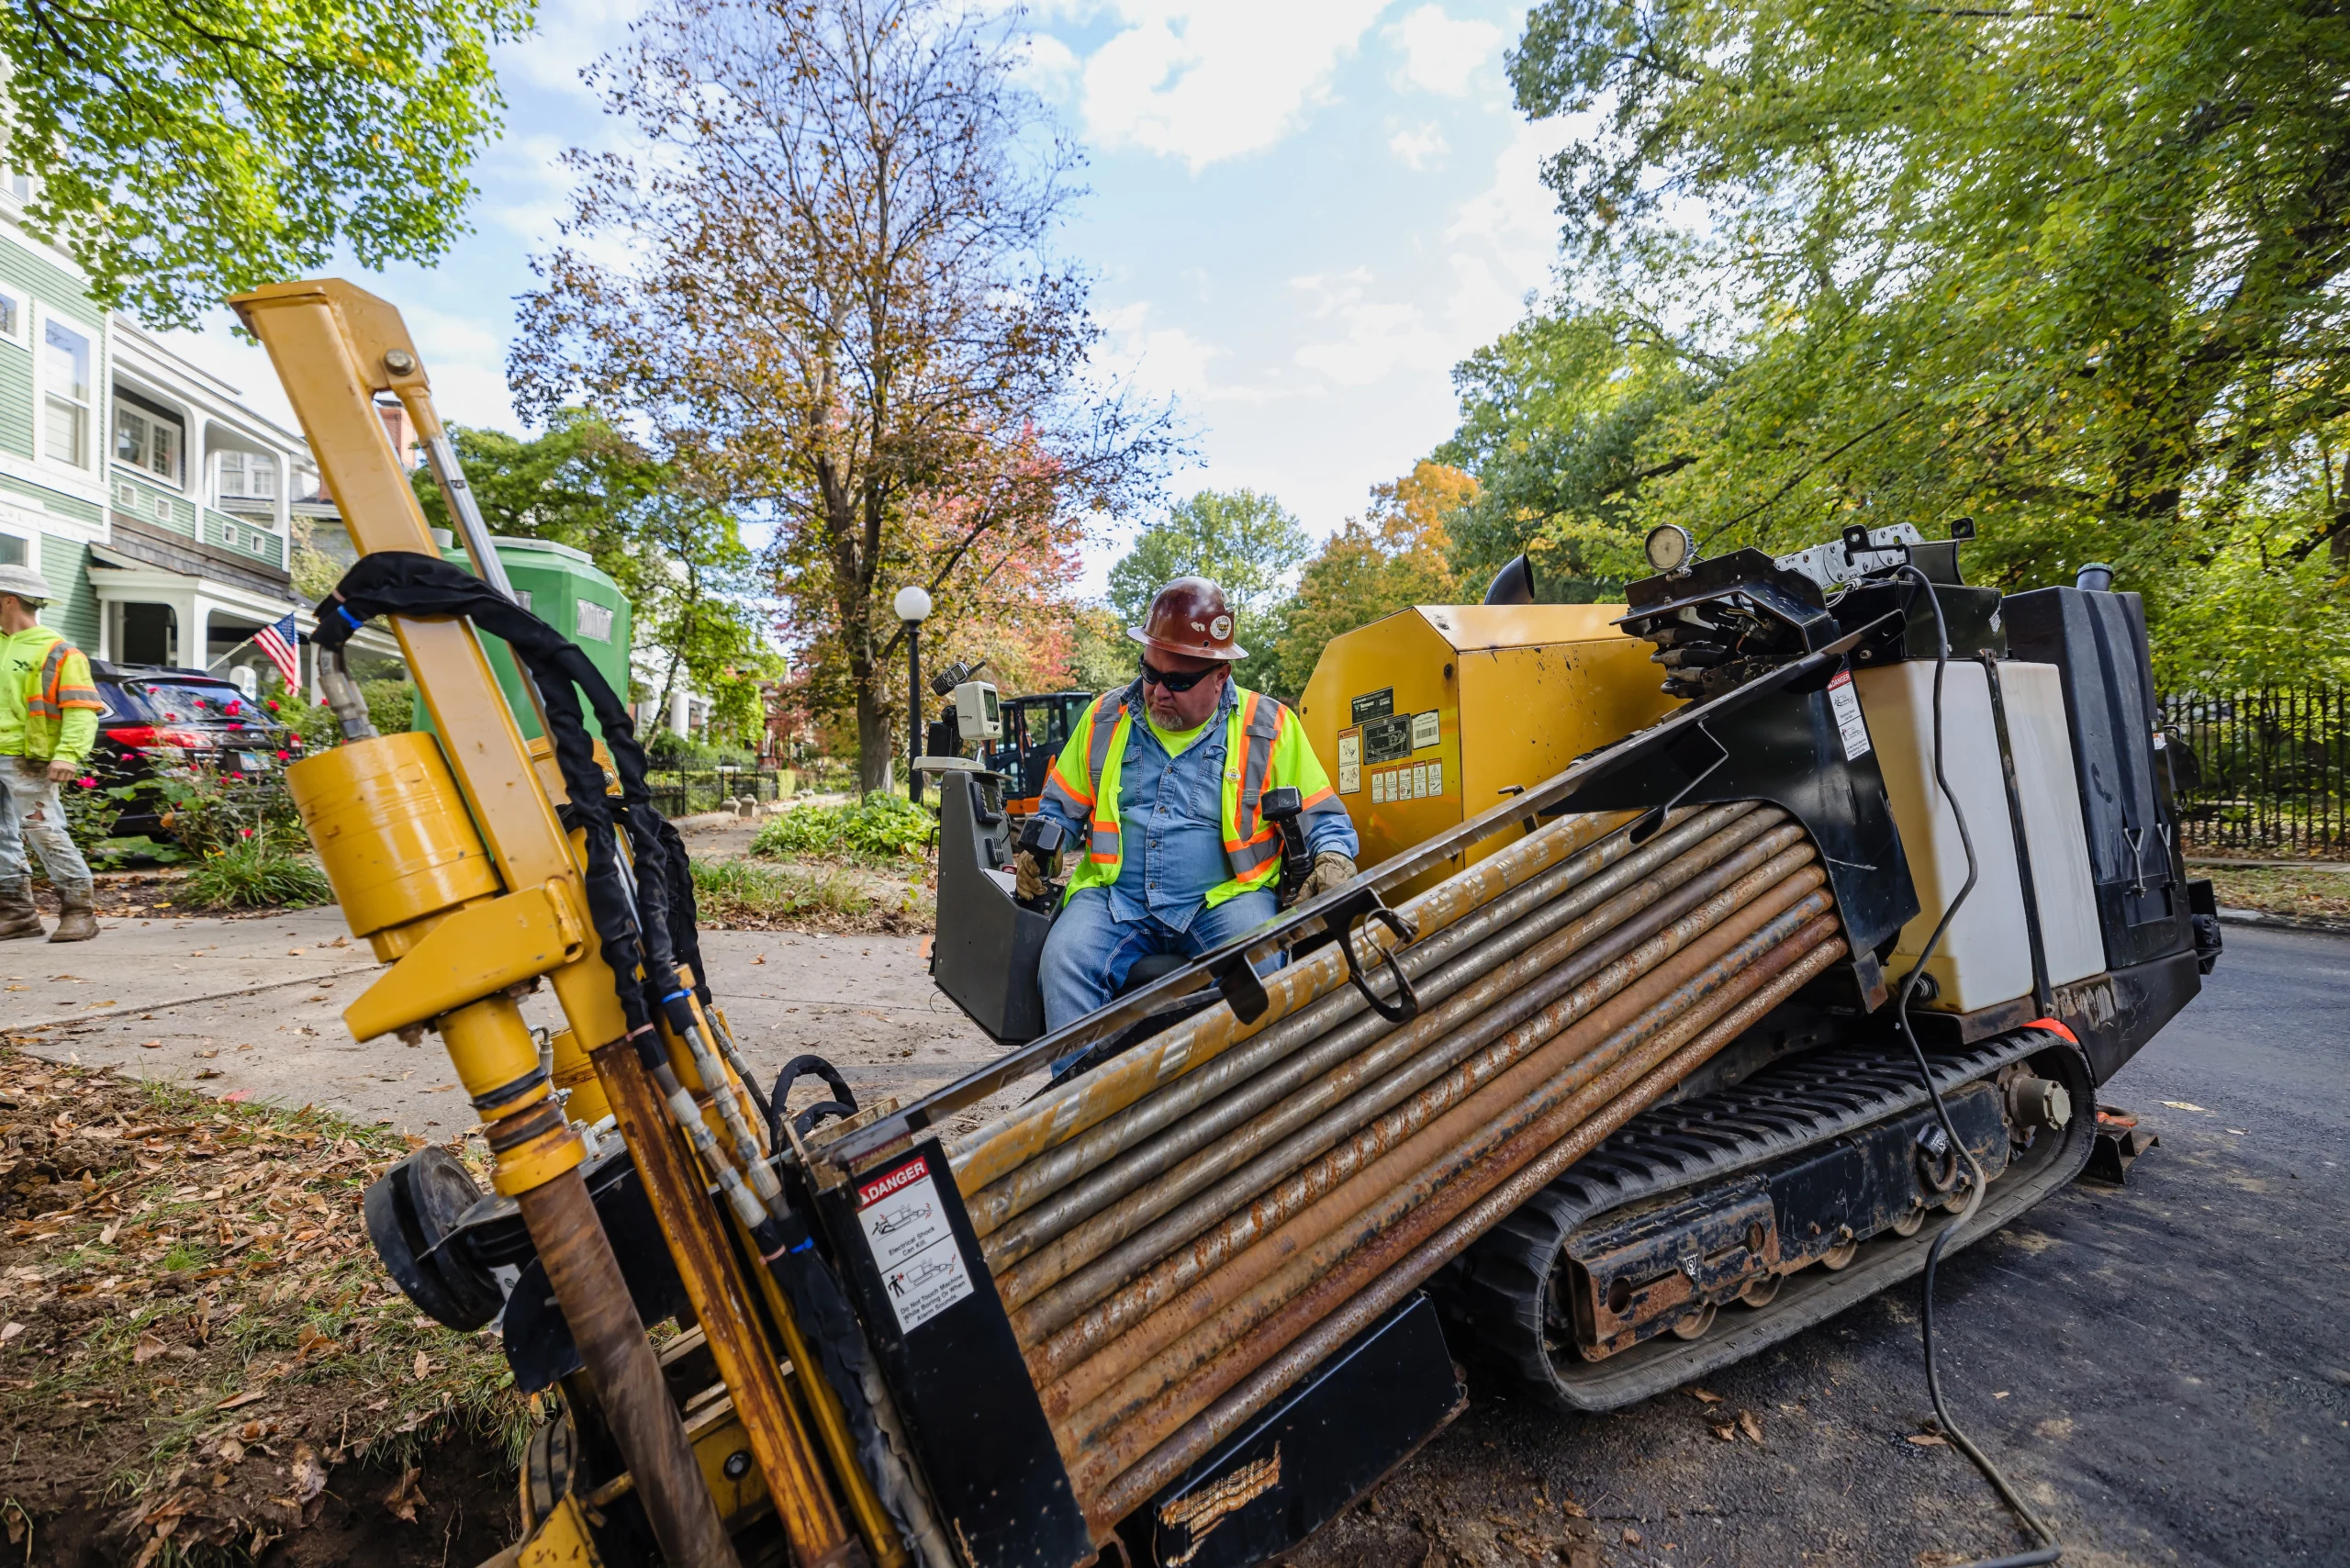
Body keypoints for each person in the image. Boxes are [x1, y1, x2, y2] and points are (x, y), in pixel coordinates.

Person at [1024, 577, 1358, 1035]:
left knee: (1262, 967)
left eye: (1178, 681)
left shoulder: (1270, 725)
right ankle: (1086, 1101)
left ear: (1221, 676)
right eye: (1149, 672)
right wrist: (1038, 849)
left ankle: (1239, 1098)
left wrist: (1334, 856)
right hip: (1114, 900)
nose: (1159, 691)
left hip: (1227, 900)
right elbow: (1059, 807)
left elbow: (1321, 816)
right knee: (1063, 961)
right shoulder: (1104, 718)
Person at [0, 565, 103, 942]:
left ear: (8, 600)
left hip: (29, 759)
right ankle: (17, 915)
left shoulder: (58, 651)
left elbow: (80, 709)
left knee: (44, 831)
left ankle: (80, 912)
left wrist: (68, 754)